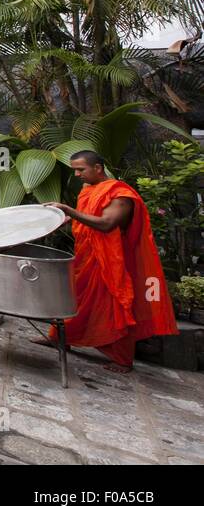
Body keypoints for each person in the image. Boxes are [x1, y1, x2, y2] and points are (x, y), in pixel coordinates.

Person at [44, 150, 178, 373]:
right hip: (87, 258)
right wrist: (67, 218)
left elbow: (106, 224)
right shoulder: (90, 190)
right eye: (74, 170)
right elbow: (88, 223)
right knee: (75, 299)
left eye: (81, 169)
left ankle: (122, 359)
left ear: (98, 168)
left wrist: (69, 210)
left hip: (111, 262)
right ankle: (59, 338)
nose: (77, 174)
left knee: (115, 306)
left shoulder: (120, 194)